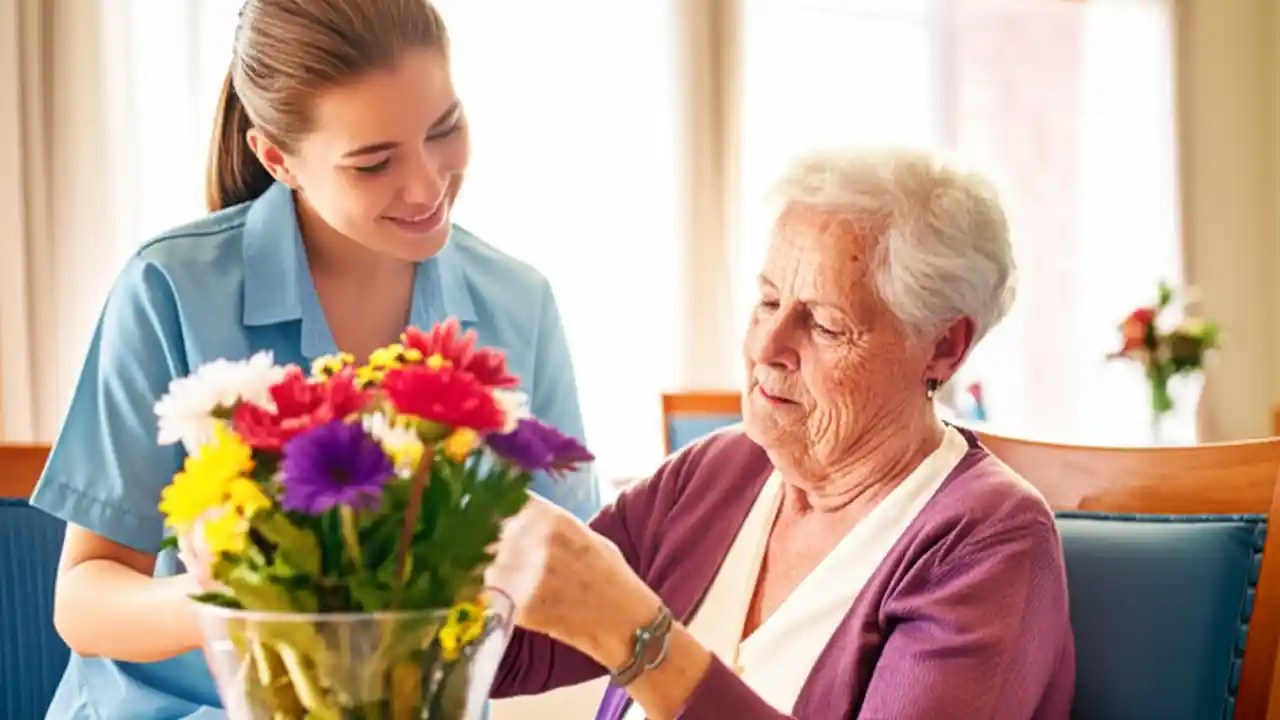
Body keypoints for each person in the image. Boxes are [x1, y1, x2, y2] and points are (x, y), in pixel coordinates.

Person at [28, 1, 599, 717]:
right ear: (278, 158)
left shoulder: (520, 302)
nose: (426, 185)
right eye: (373, 161)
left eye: (444, 129)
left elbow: (576, 570)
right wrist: (240, 606)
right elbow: (85, 597)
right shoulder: (170, 289)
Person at [487, 149, 1075, 719]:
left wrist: (639, 639)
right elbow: (508, 653)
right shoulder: (719, 470)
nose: (766, 347)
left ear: (944, 348)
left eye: (824, 324)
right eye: (768, 300)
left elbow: (620, 628)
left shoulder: (987, 542)